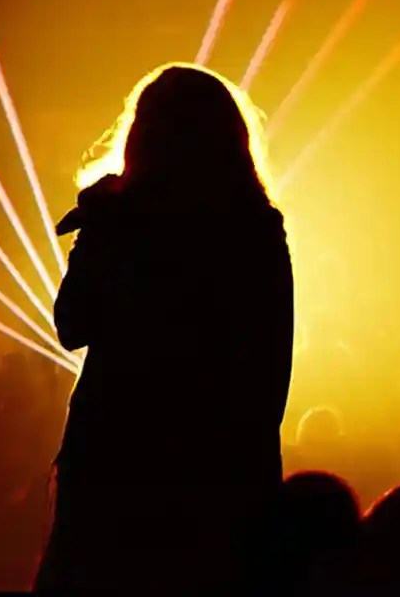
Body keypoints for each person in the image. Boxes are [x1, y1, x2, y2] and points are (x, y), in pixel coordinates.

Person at [34, 63, 294, 593]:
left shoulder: (122, 224)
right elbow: (269, 377)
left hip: (114, 476)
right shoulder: (256, 232)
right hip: (223, 487)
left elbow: (70, 324)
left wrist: (98, 227)